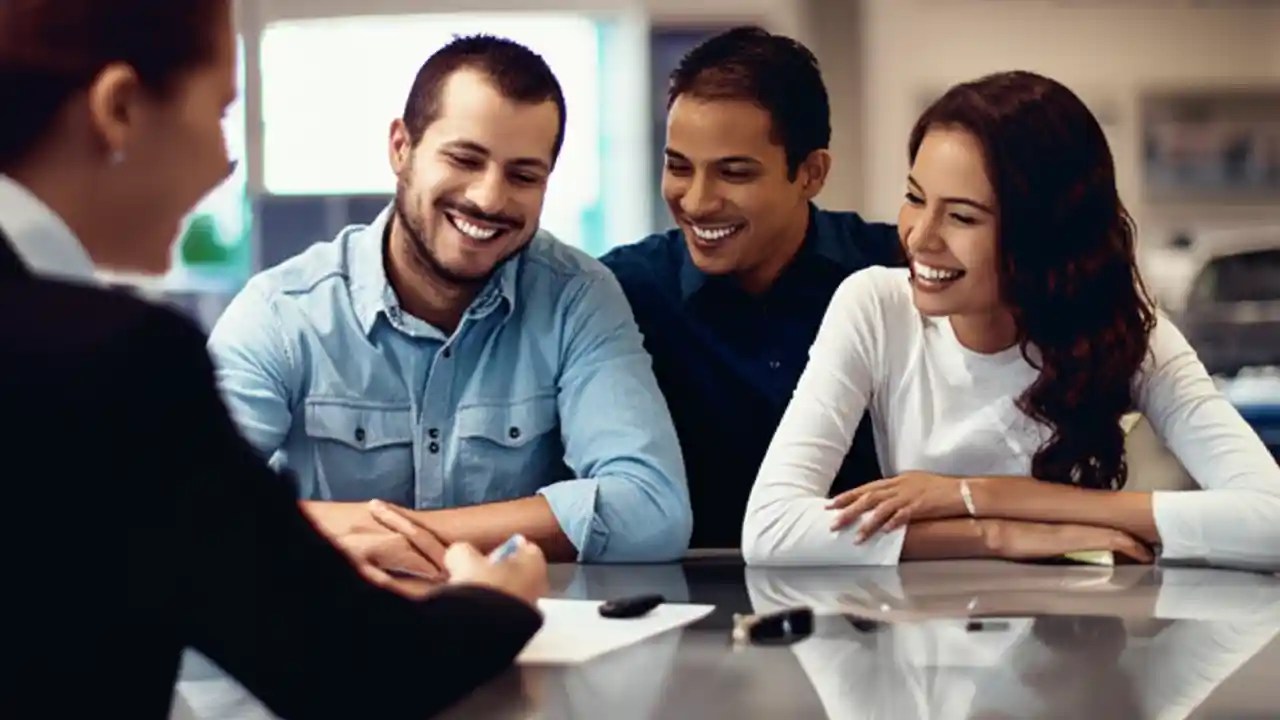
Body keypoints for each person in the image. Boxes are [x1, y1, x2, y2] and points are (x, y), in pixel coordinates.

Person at [0, 2, 549, 716]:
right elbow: (356, 667)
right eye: (221, 113)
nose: (224, 163)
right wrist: (495, 599)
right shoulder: (116, 363)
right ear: (120, 108)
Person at [742, 71, 1280, 568]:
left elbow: (1271, 521)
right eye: (915, 198)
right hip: (925, 646)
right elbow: (771, 529)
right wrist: (995, 534)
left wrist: (982, 496)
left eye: (962, 216)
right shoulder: (875, 307)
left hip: (1083, 639)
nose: (920, 237)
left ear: (1043, 234)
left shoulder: (1126, 329)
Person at [207, 35, 691, 573]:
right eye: (465, 158)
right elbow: (188, 505)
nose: (488, 198)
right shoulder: (282, 313)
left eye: (523, 175)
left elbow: (653, 509)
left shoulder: (576, 297)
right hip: (329, 642)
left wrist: (405, 539)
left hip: (526, 635)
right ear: (401, 148)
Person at [601, 27, 903, 548]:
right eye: (678, 167)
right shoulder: (621, 293)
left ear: (811, 173)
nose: (696, 201)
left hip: (871, 592)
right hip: (679, 603)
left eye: (733, 173)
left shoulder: (894, 276)